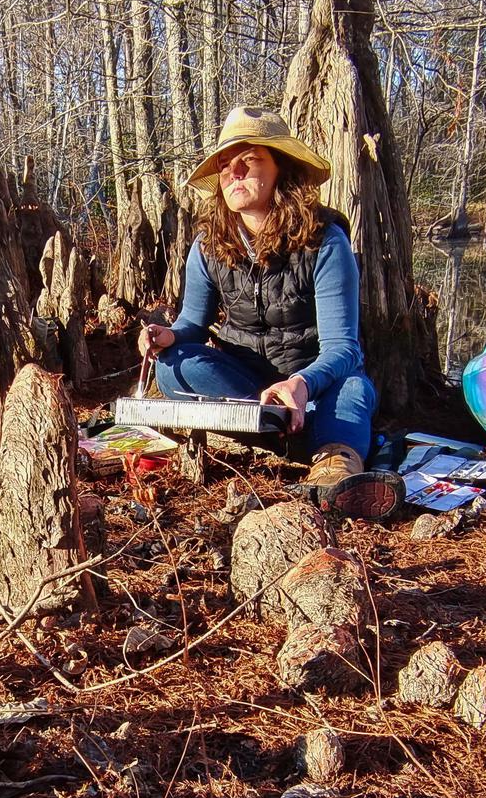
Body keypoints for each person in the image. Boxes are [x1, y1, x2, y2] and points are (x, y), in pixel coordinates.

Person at [137, 106, 395, 519]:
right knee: (174, 365)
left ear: (282, 170)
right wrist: (168, 336)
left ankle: (332, 464)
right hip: (246, 383)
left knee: (353, 390)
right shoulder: (208, 245)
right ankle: (294, 434)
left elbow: (342, 347)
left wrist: (301, 384)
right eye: (225, 166)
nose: (234, 173)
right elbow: (191, 325)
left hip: (315, 381)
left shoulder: (325, 241)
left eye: (249, 161)